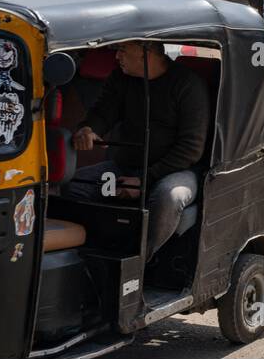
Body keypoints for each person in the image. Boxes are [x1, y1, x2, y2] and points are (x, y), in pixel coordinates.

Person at [68, 41, 209, 260]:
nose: (117, 56)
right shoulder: (121, 78)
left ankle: (143, 263)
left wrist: (145, 180)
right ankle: (94, 256)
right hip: (125, 165)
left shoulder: (187, 85)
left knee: (168, 197)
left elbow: (190, 149)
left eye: (123, 50)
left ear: (146, 55)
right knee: (75, 186)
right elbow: (104, 112)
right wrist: (88, 129)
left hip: (174, 171)